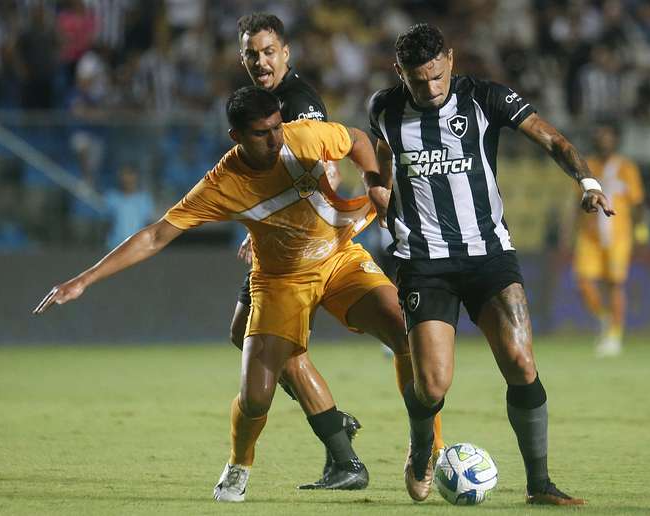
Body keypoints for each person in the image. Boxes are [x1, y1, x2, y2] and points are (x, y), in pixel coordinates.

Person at [34, 86, 428, 502]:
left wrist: (375, 183)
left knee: (406, 331)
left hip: (339, 258)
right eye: (262, 133)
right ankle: (239, 465)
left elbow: (358, 140)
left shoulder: (304, 136)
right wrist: (84, 279)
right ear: (235, 136)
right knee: (256, 398)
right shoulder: (224, 184)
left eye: (277, 127)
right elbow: (155, 236)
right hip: (281, 282)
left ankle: (425, 450)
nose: (276, 139)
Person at [366, 24, 616, 505]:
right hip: (425, 262)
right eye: (419, 82)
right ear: (401, 74)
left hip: (490, 255)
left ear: (451, 61)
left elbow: (552, 139)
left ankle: (539, 485)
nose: (432, 89)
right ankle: (421, 451)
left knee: (522, 364)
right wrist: (379, 184)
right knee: (433, 383)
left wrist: (586, 183)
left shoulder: (485, 98)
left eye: (438, 77)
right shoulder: (385, 108)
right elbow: (381, 152)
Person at [231, 13, 444, 490]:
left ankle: (424, 447)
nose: (261, 61)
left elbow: (324, 166)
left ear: (286, 53)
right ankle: (338, 444)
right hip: (280, 249)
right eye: (252, 54)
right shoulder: (258, 104)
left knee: (400, 332)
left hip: (315, 245)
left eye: (268, 51)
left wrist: (286, 207)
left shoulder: (298, 104)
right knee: (244, 336)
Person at [573, 121, 644, 356]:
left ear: (616, 139)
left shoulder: (626, 168)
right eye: (600, 135)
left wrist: (640, 229)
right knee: (583, 281)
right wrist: (570, 228)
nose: (603, 140)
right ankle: (604, 318)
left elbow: (636, 203)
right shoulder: (588, 166)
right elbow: (578, 202)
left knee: (614, 284)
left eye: (608, 136)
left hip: (618, 234)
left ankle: (615, 335)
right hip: (589, 235)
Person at [104, 165, 155, 250]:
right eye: (124, 175)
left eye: (130, 175)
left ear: (136, 177)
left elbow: (148, 223)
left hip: (138, 248)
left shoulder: (144, 199)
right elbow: (105, 223)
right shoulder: (111, 197)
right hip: (114, 247)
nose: (127, 179)